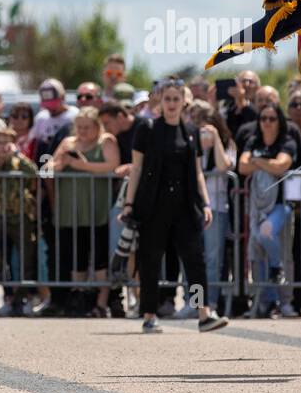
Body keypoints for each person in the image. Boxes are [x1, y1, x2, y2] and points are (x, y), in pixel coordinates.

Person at [121, 79, 227, 333]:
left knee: (195, 261)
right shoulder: (146, 128)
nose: (171, 104)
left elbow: (198, 171)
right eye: (167, 99)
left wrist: (206, 203)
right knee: (150, 260)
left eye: (175, 99)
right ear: (160, 101)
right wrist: (129, 204)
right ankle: (149, 314)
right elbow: (136, 168)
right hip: (153, 205)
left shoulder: (191, 131)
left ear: (183, 102)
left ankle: (203, 313)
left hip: (184, 206)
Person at [50, 108, 119, 315]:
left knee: (99, 257)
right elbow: (49, 167)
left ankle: (102, 302)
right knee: (76, 256)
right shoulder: (67, 143)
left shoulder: (106, 141)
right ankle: (78, 298)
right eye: (79, 127)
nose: (82, 131)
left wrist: (81, 165)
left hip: (97, 209)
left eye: (87, 127)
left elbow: (112, 166)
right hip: (72, 210)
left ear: (97, 126)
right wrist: (62, 162)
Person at [239, 101, 299, 318]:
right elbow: (242, 166)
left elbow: (282, 166)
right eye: (263, 118)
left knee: (273, 241)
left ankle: (285, 302)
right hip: (257, 207)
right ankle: (264, 301)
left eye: (272, 119)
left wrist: (257, 160)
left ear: (279, 121)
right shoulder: (252, 140)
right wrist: (267, 163)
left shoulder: (287, 141)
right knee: (257, 251)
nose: (267, 123)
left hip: (281, 206)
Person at [0, 128, 40, 316]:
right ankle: (1, 271)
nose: (2, 146)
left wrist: (17, 155)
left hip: (21, 214)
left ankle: (20, 299)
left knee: (25, 258)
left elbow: (33, 172)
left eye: (7, 142)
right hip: (1, 214)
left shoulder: (19, 161)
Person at [188, 100, 235, 311]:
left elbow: (224, 165)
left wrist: (215, 140)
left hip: (217, 207)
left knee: (213, 259)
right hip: (193, 208)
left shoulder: (228, 144)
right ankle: (195, 303)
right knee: (193, 258)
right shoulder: (192, 143)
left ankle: (211, 302)